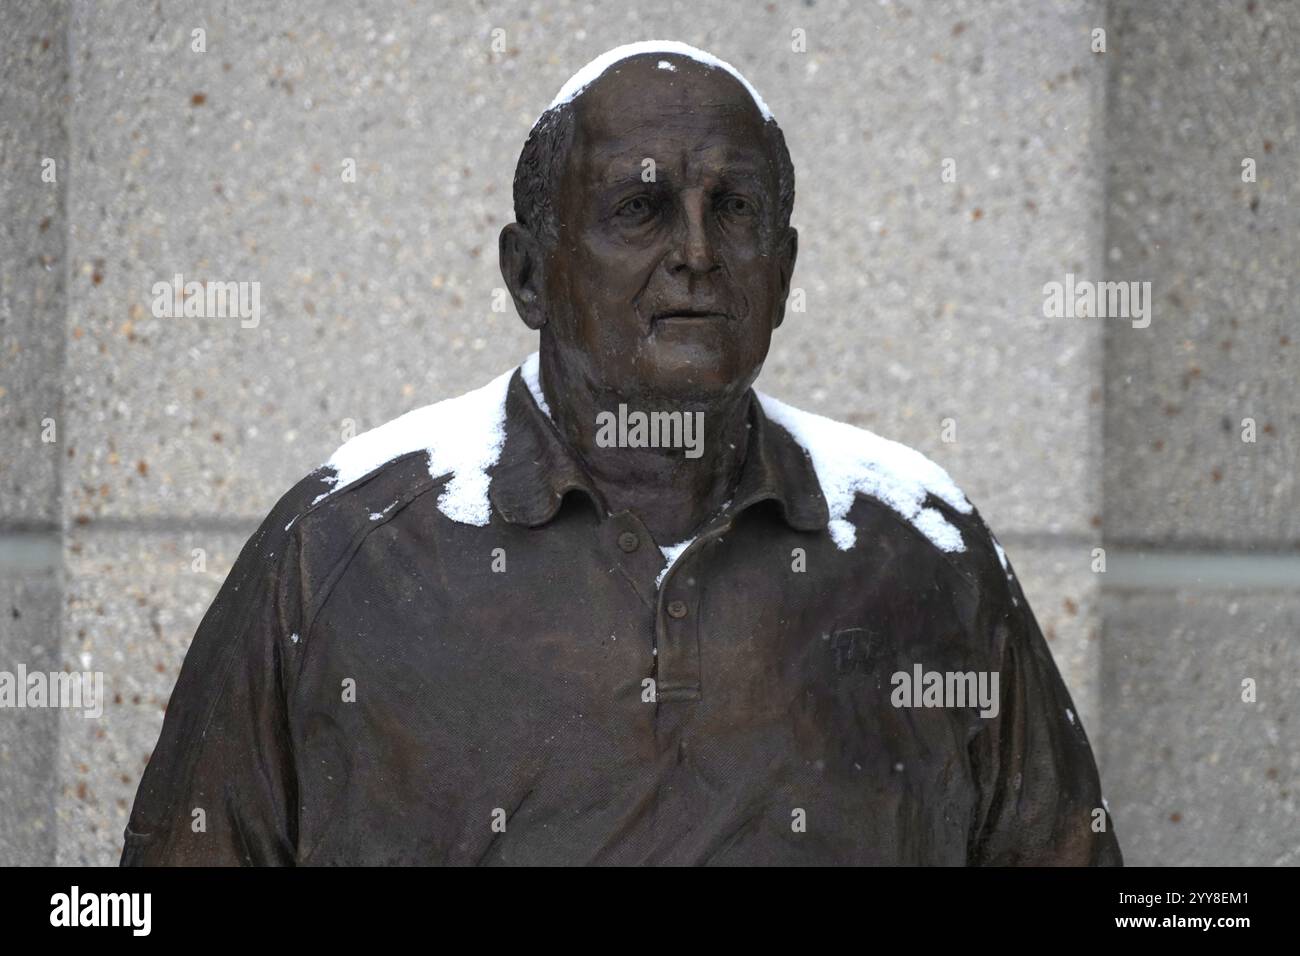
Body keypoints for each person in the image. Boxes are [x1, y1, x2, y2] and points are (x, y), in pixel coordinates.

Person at [121, 40, 1120, 865]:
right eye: (638, 210)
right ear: (526, 274)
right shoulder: (340, 550)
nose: (695, 251)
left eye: (734, 209)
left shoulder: (920, 553)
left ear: (782, 271)